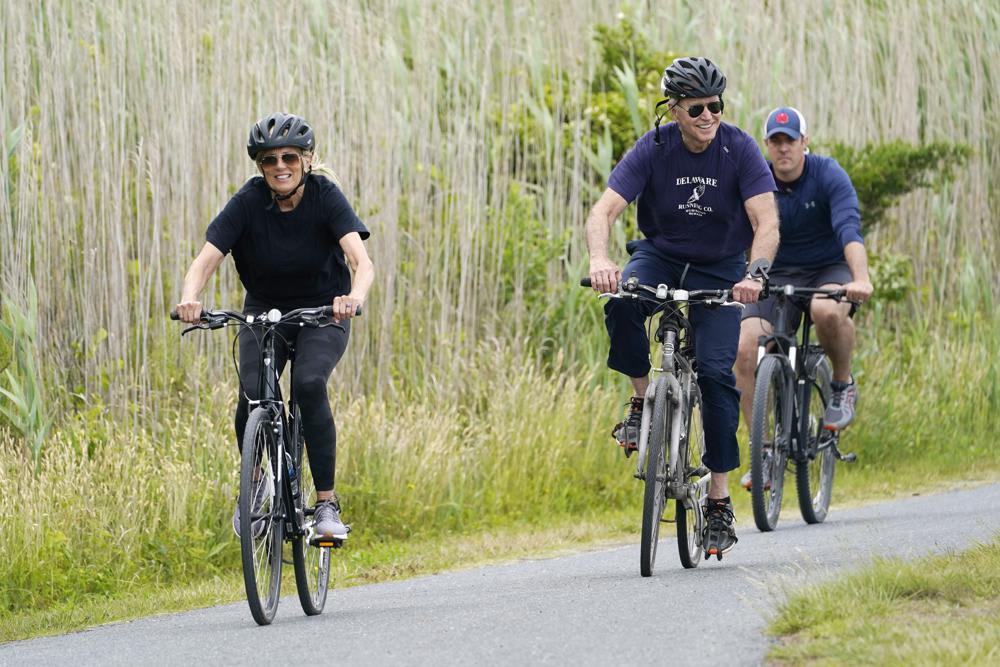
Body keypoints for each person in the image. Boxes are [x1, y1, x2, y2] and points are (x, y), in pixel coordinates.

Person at [586, 57, 780, 559]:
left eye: (716, 105)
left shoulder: (739, 148)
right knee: (622, 303)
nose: (708, 115)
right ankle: (640, 402)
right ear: (673, 109)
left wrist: (754, 274)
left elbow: (765, 221)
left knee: (716, 375)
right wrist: (600, 259)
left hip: (721, 268)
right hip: (662, 256)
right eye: (696, 108)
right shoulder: (653, 148)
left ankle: (718, 501)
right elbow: (605, 210)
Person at [175, 112, 374, 540]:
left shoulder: (325, 196)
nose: (280, 166)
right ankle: (257, 484)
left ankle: (326, 504)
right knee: (253, 391)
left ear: (307, 160)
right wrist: (191, 298)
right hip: (265, 312)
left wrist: (353, 298)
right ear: (260, 166)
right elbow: (205, 261)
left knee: (308, 383)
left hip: (324, 311)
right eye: (269, 159)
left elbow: (362, 262)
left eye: (289, 157)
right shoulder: (248, 202)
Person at [735, 107, 872, 490]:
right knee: (745, 348)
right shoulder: (757, 181)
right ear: (766, 145)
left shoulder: (828, 174)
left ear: (804, 142)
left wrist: (860, 278)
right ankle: (763, 451)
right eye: (775, 141)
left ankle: (841, 385)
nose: (783, 149)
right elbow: (736, 234)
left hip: (827, 269)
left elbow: (849, 229)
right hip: (774, 275)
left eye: (790, 140)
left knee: (826, 311)